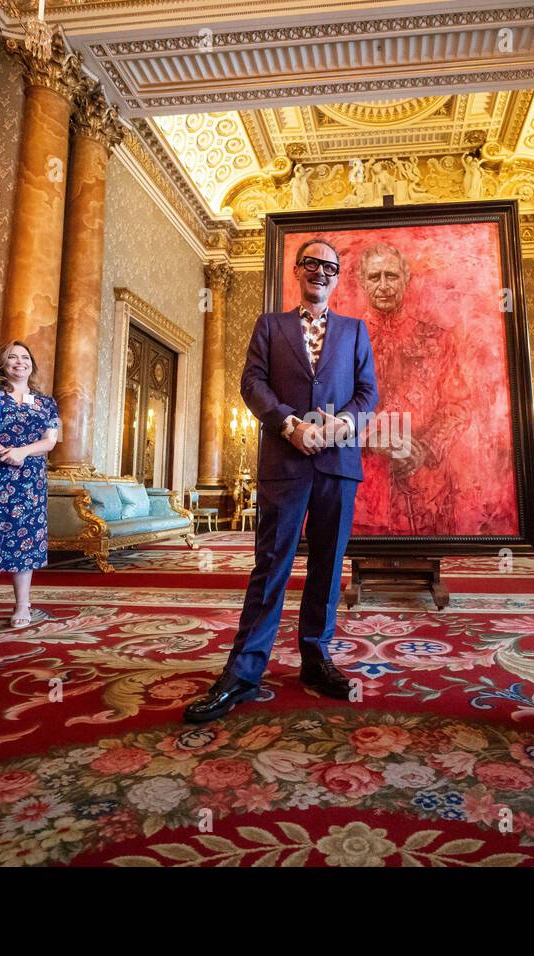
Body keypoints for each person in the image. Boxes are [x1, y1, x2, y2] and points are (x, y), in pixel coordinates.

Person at [184, 238, 379, 721]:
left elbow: (368, 392)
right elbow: (252, 383)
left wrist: (342, 424)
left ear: (337, 276)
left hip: (338, 462)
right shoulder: (270, 326)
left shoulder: (355, 331)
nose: (320, 272)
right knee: (271, 566)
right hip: (285, 462)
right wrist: (291, 424)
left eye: (329, 266)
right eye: (311, 263)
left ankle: (316, 659)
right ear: (298, 270)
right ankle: (243, 672)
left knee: (328, 567)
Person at [352, 242, 470, 535]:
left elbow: (458, 406)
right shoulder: (344, 341)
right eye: (374, 276)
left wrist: (426, 448)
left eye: (391, 276)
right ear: (362, 281)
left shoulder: (438, 339)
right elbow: (330, 408)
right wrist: (368, 439)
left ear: (406, 279)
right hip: (365, 482)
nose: (383, 285)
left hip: (427, 484)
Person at [0, 341, 60, 629]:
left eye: (25, 357)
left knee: (24, 543)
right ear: (2, 362)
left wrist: (22, 452)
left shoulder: (46, 401)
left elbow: (50, 440)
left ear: (32, 364)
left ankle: (23, 605)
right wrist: (2, 451)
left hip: (30, 479)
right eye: (12, 357)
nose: (19, 362)